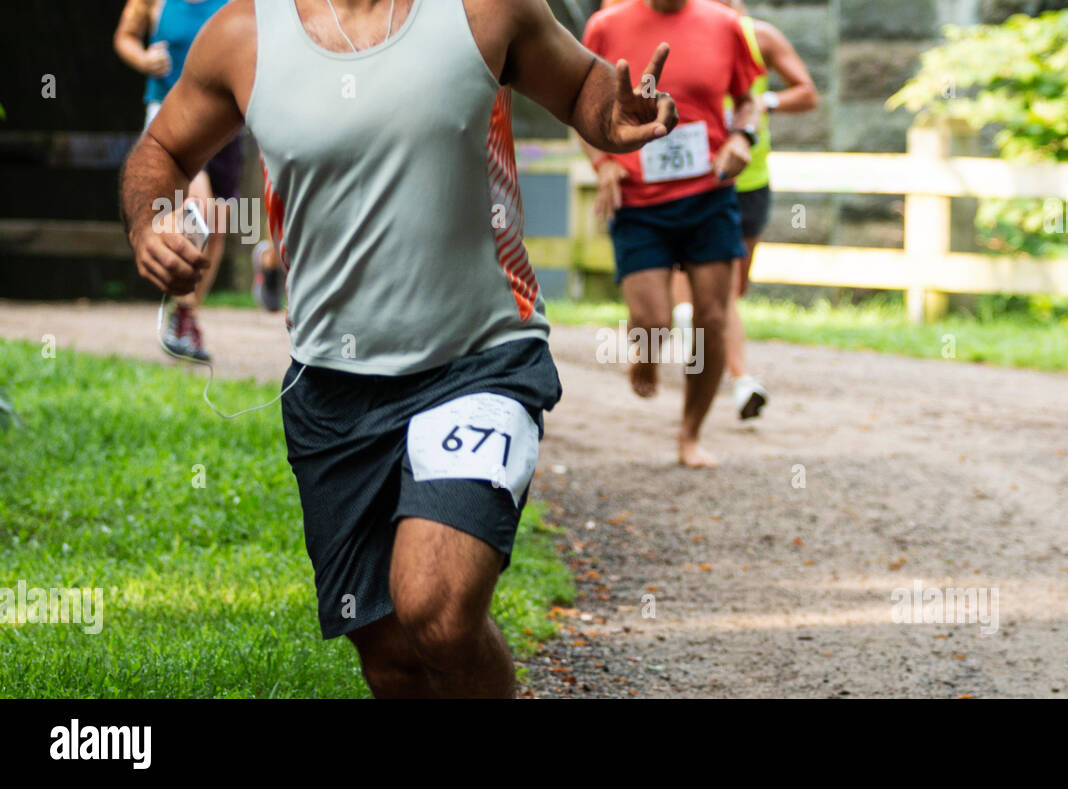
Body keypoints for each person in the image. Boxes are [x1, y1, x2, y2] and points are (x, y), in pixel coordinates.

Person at [120, 0, 677, 698]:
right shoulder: (243, 34)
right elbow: (163, 149)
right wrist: (150, 220)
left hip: (480, 360)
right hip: (331, 392)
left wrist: (613, 114)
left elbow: (581, 87)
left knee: (437, 611)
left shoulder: (484, 11)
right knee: (390, 656)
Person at [583, 0, 763, 467]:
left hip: (710, 193)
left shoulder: (726, 24)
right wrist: (602, 164)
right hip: (639, 201)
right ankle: (645, 353)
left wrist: (744, 138)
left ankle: (690, 434)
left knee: (713, 319)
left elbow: (749, 99)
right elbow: (581, 106)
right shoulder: (606, 26)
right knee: (652, 322)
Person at [668, 0, 818, 420]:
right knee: (709, 286)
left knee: (731, 291)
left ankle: (696, 338)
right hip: (699, 177)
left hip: (750, 179)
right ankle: (739, 381)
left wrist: (764, 100)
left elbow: (808, 93)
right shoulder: (676, 30)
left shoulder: (761, 37)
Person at [114, 0, 242, 362]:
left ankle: (185, 316)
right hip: (170, 124)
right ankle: (183, 316)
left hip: (223, 121)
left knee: (218, 224)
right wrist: (142, 59)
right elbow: (124, 37)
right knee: (198, 208)